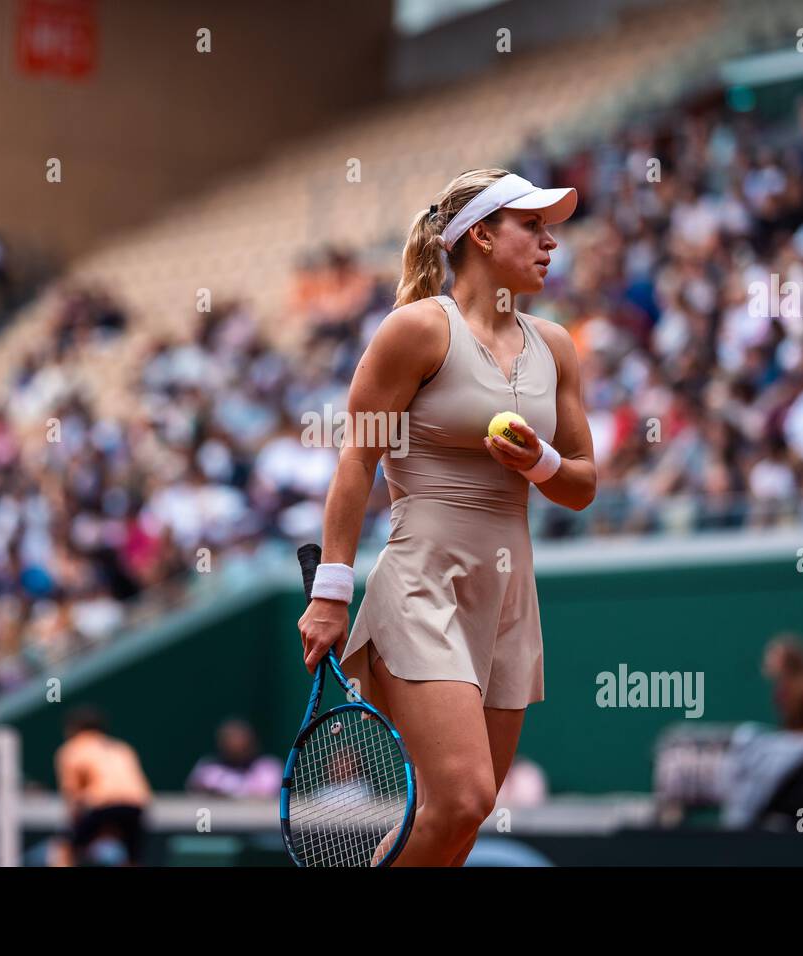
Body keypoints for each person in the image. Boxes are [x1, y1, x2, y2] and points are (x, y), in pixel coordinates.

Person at [297, 168, 596, 865]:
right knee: (460, 797)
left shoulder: (556, 345)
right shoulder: (417, 330)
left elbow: (582, 485)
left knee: (465, 819)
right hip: (421, 583)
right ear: (483, 235)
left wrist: (537, 463)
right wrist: (331, 592)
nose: (550, 242)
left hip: (508, 594)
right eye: (533, 226)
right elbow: (355, 462)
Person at [53, 707, 153, 865]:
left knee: (64, 848)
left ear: (74, 728)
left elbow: (71, 794)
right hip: (136, 805)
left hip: (102, 803)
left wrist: (72, 829)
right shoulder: (121, 748)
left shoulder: (71, 749)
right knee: (132, 858)